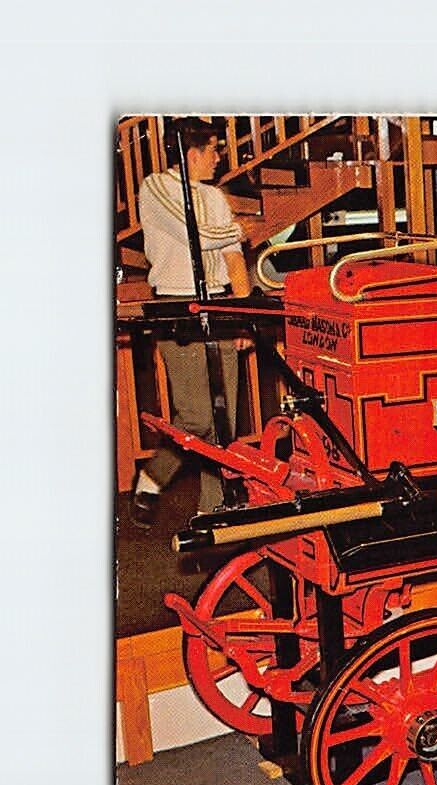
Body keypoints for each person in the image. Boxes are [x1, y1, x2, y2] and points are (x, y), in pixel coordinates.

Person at [131, 118, 249, 528]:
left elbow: (233, 256)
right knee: (196, 416)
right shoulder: (156, 187)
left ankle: (212, 509)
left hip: (216, 304)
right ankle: (151, 479)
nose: (219, 159)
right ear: (191, 152)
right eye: (215, 150)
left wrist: (243, 316)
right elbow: (197, 235)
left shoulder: (215, 196)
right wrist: (237, 228)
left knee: (223, 417)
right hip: (177, 306)